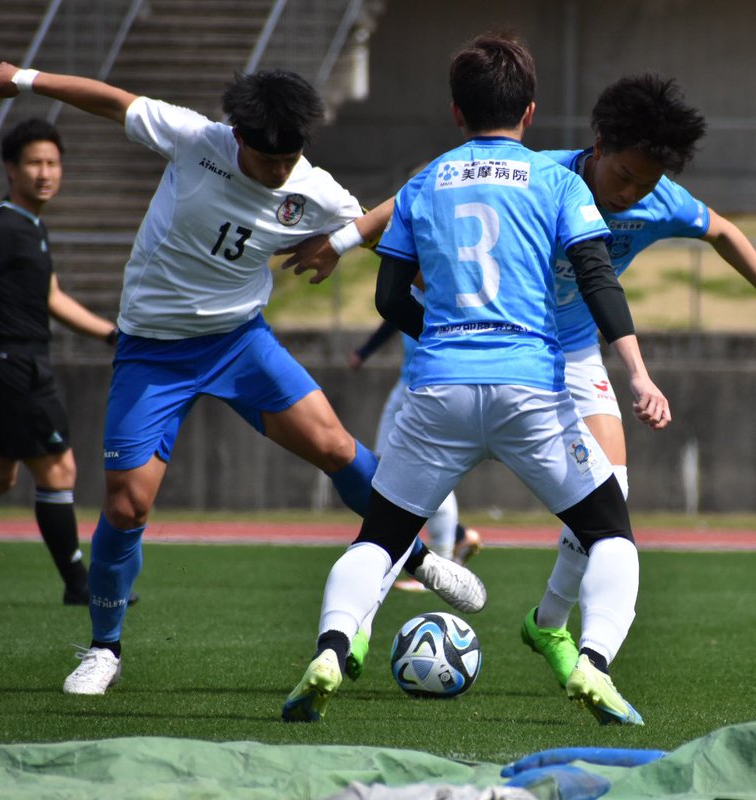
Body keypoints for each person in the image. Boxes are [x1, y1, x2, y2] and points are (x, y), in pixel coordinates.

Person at [280, 72, 756, 691]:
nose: (631, 195)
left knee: (609, 491)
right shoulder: (545, 173)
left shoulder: (656, 198)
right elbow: (413, 195)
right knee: (409, 519)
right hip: (517, 353)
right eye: (623, 177)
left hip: (571, 353)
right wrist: (345, 241)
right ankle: (359, 625)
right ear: (598, 146)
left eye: (645, 185)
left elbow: (723, 231)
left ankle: (549, 622)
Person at [0, 61, 484, 696]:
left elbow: (394, 214)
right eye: (267, 160)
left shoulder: (316, 190)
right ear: (237, 135)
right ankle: (104, 649)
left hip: (240, 343)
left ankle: (418, 555)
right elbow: (112, 101)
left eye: (289, 160)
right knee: (126, 504)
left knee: (334, 446)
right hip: (154, 352)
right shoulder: (194, 139)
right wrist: (23, 79)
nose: (279, 174)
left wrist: (341, 245)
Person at [281, 31, 670, 726]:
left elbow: (389, 298)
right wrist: (637, 371)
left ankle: (335, 648)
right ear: (530, 114)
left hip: (437, 391)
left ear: (457, 114)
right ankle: (594, 662)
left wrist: (444, 339)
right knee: (610, 531)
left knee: (378, 537)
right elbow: (596, 275)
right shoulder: (558, 181)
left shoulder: (425, 181)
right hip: (530, 387)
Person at [0, 118, 129, 606]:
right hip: (13, 366)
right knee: (59, 470)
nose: (45, 172)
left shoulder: (31, 226)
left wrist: (113, 334)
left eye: (52, 163)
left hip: (18, 363)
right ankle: (79, 586)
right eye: (34, 163)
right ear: (10, 169)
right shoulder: (1, 227)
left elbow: (50, 296)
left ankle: (78, 584)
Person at [348, 320, 483, 591]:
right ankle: (458, 535)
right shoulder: (413, 280)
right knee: (384, 465)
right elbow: (392, 307)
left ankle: (443, 563)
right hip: (406, 382)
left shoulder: (445, 280)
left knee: (429, 466)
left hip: (435, 383)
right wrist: (364, 351)